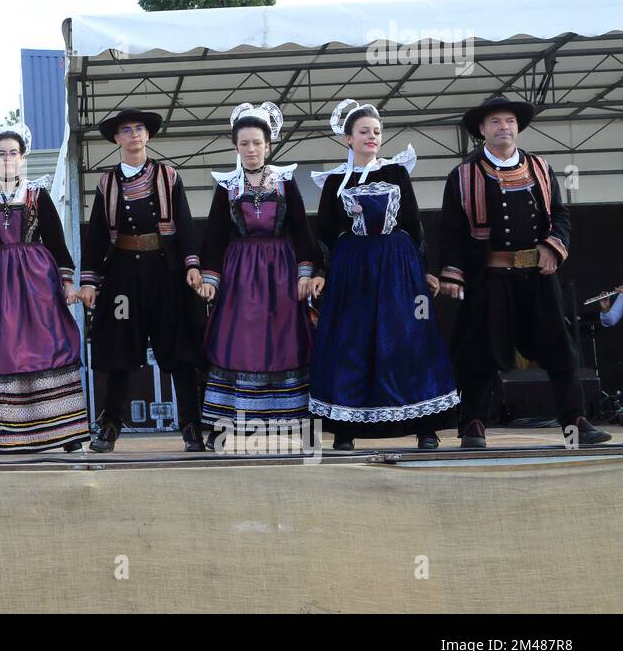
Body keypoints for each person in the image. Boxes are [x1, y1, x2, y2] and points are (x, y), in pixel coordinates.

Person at [437, 94, 612, 447]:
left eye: (510, 121)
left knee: (560, 350)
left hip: (538, 277)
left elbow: (560, 216)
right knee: (481, 354)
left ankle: (575, 423)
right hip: (490, 279)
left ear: (518, 127)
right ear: (482, 130)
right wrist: (452, 272)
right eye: (496, 122)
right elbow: (450, 231)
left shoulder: (541, 168)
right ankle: (472, 424)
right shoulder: (463, 174)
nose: (505, 127)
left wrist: (552, 247)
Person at [308, 100, 459, 450]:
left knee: (409, 338)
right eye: (364, 132)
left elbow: (414, 225)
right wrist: (320, 272)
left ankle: (424, 426)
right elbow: (326, 233)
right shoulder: (333, 182)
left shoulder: (396, 173)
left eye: (376, 132)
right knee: (351, 343)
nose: (372, 137)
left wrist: (424, 272)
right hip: (352, 270)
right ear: (348, 138)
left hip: (397, 267)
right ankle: (345, 429)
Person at [0, 122, 87, 453]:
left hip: (36, 283)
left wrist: (68, 283)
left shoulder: (37, 194)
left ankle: (64, 432)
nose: (8, 158)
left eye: (13, 153)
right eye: (1, 153)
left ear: (23, 158)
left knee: (43, 344)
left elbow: (56, 241)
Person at [78, 108, 207, 452]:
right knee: (120, 348)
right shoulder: (106, 184)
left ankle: (191, 426)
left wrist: (192, 265)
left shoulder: (168, 176)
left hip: (166, 275)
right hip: (123, 280)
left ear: (148, 136)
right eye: (126, 130)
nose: (134, 134)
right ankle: (110, 426)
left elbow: (185, 224)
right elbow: (96, 238)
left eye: (139, 129)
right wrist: (89, 281)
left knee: (178, 350)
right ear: (117, 139)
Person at [197, 103, 321, 434]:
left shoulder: (285, 180)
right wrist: (211, 278)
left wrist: (305, 272)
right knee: (240, 339)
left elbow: (301, 229)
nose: (251, 150)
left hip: (281, 269)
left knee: (283, 338)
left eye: (257, 143)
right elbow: (215, 235)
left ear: (268, 145)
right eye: (244, 144)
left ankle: (289, 422)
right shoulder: (227, 185)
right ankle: (231, 422)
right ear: (235, 146)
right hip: (240, 272)